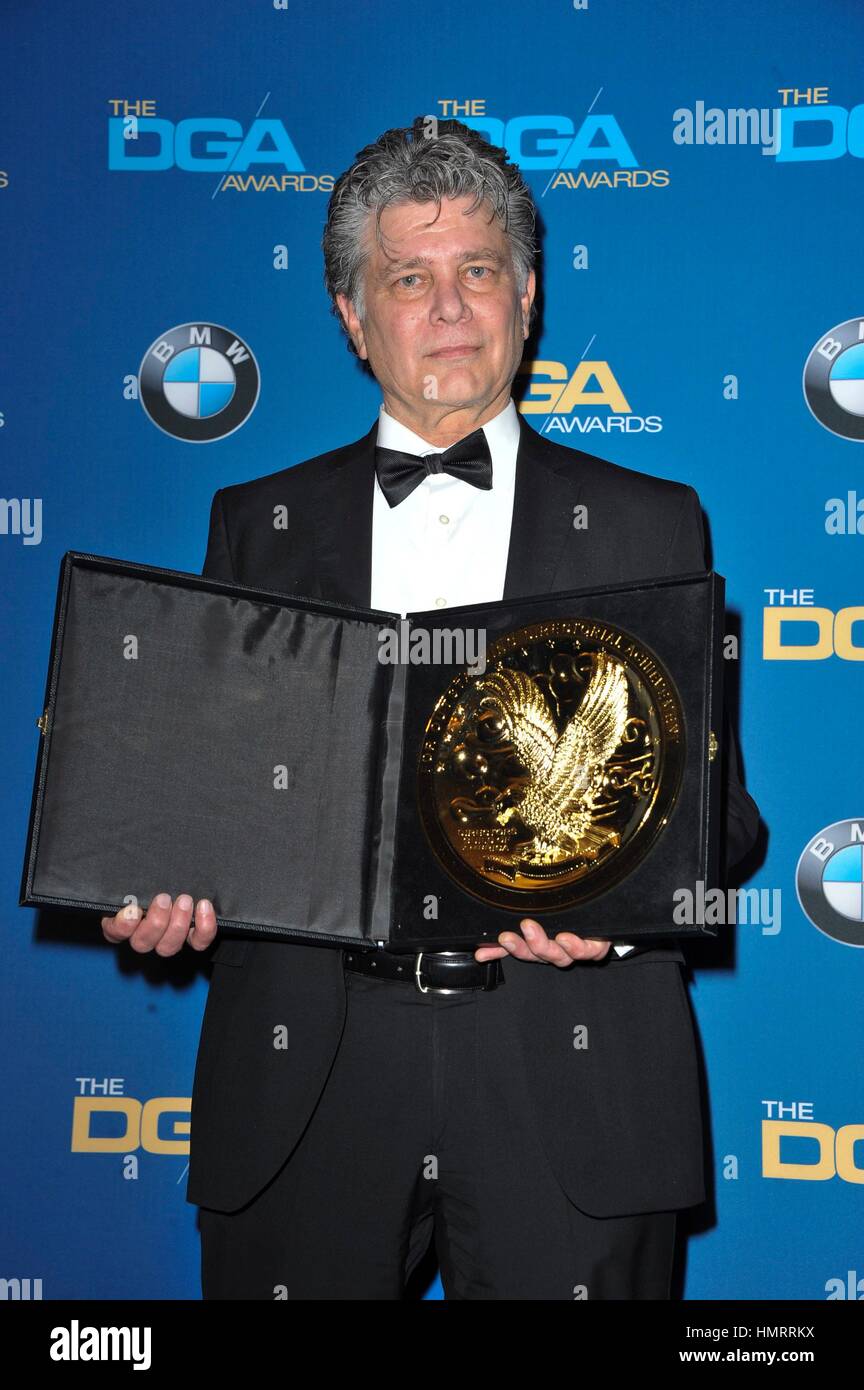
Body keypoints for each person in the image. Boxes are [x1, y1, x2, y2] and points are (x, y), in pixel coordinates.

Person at [102, 116, 760, 1300]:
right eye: (409, 278)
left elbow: (727, 816)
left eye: (478, 272)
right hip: (314, 1074)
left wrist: (621, 909)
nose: (449, 307)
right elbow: (212, 804)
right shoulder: (259, 522)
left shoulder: (655, 520)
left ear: (529, 292)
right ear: (356, 317)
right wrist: (163, 883)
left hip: (566, 1058)